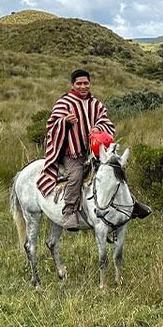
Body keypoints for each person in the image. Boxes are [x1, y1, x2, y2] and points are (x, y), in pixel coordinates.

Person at [38, 68, 116, 231]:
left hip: (94, 151)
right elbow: (52, 126)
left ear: (90, 84)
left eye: (86, 83)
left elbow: (106, 122)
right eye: (79, 83)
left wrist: (97, 127)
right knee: (76, 175)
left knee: (115, 167)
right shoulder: (64, 103)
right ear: (73, 85)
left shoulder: (96, 103)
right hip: (71, 153)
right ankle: (69, 211)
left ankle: (130, 203)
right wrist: (64, 122)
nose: (83, 86)